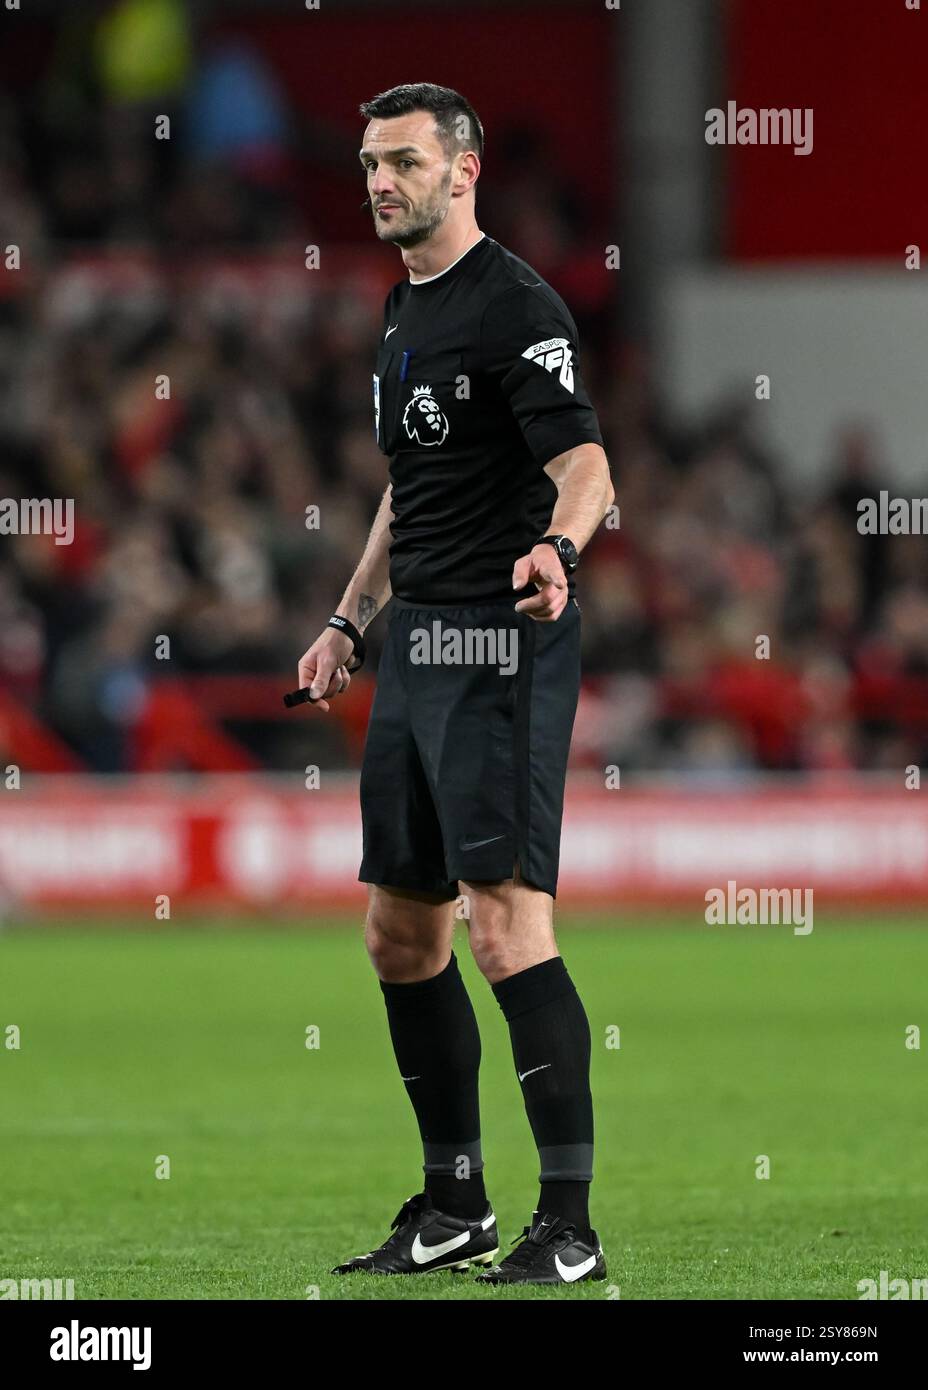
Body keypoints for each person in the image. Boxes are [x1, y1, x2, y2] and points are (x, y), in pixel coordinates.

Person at [297, 83, 614, 1285]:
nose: (381, 182)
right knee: (398, 934)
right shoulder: (401, 310)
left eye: (405, 163)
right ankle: (454, 1202)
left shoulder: (516, 307)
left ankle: (570, 1227)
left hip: (500, 638)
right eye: (371, 163)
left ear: (464, 170)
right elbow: (406, 489)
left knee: (502, 926)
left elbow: (586, 466)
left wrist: (559, 548)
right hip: (419, 638)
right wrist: (347, 619)